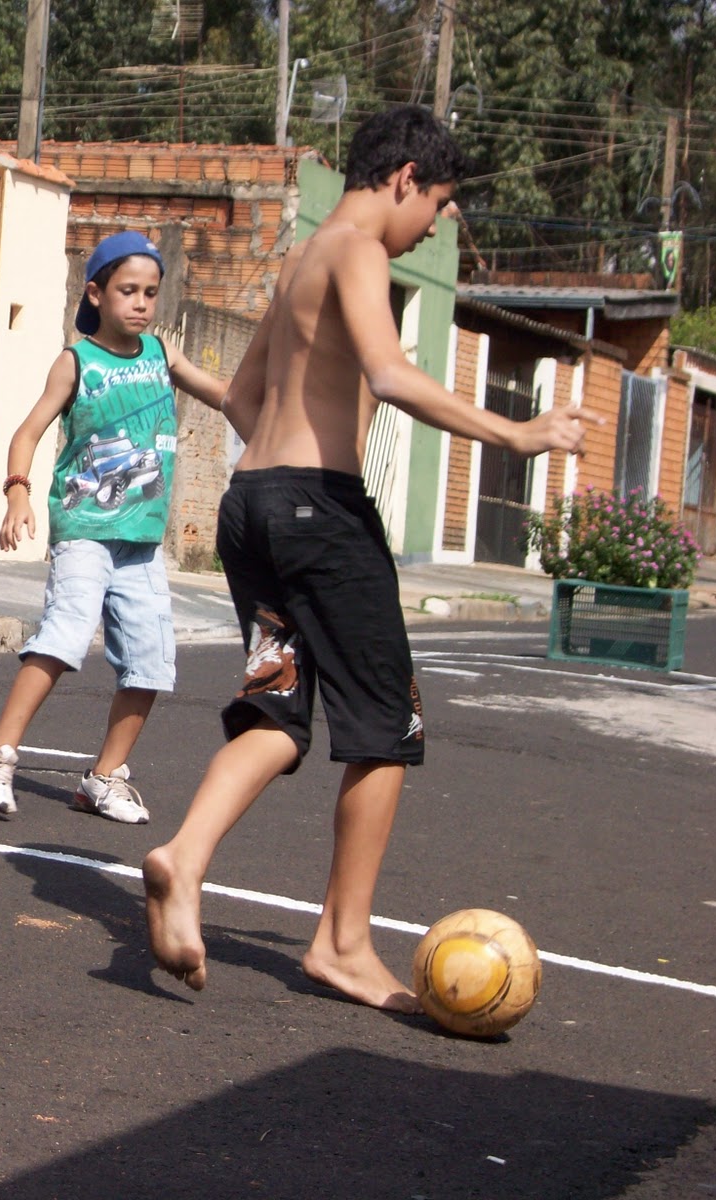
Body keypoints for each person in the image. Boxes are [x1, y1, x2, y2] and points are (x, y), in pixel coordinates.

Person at [142, 105, 599, 1008]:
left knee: (279, 706)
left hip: (255, 506)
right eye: (436, 204)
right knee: (386, 724)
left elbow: (241, 402)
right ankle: (343, 944)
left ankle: (182, 855)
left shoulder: (302, 260)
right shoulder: (357, 252)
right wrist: (518, 432)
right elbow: (390, 374)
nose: (434, 224)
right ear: (403, 180)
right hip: (320, 512)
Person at [0, 230, 226, 824]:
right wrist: (18, 496)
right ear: (98, 293)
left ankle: (104, 778)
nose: (140, 303)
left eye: (150, 293)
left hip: (141, 542)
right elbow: (27, 432)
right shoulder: (77, 361)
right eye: (128, 291)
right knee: (64, 635)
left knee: (152, 661)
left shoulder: (163, 354)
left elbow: (226, 395)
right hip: (84, 528)